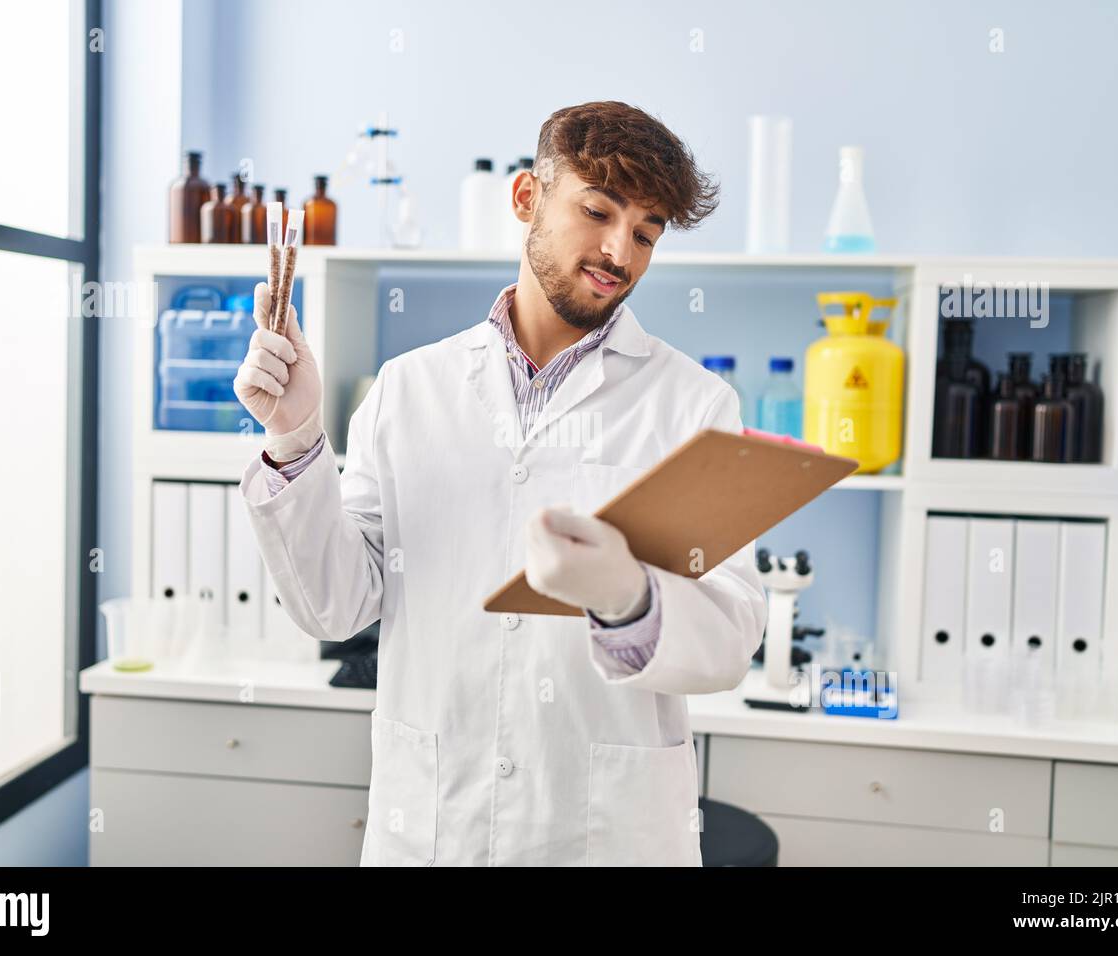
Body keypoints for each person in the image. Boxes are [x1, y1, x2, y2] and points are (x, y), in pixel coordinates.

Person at [233, 100, 767, 866]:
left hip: (604, 839)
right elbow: (335, 604)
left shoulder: (694, 406)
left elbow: (731, 636)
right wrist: (293, 438)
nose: (620, 251)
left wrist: (629, 599)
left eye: (646, 233)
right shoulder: (408, 388)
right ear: (526, 199)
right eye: (598, 210)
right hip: (434, 828)